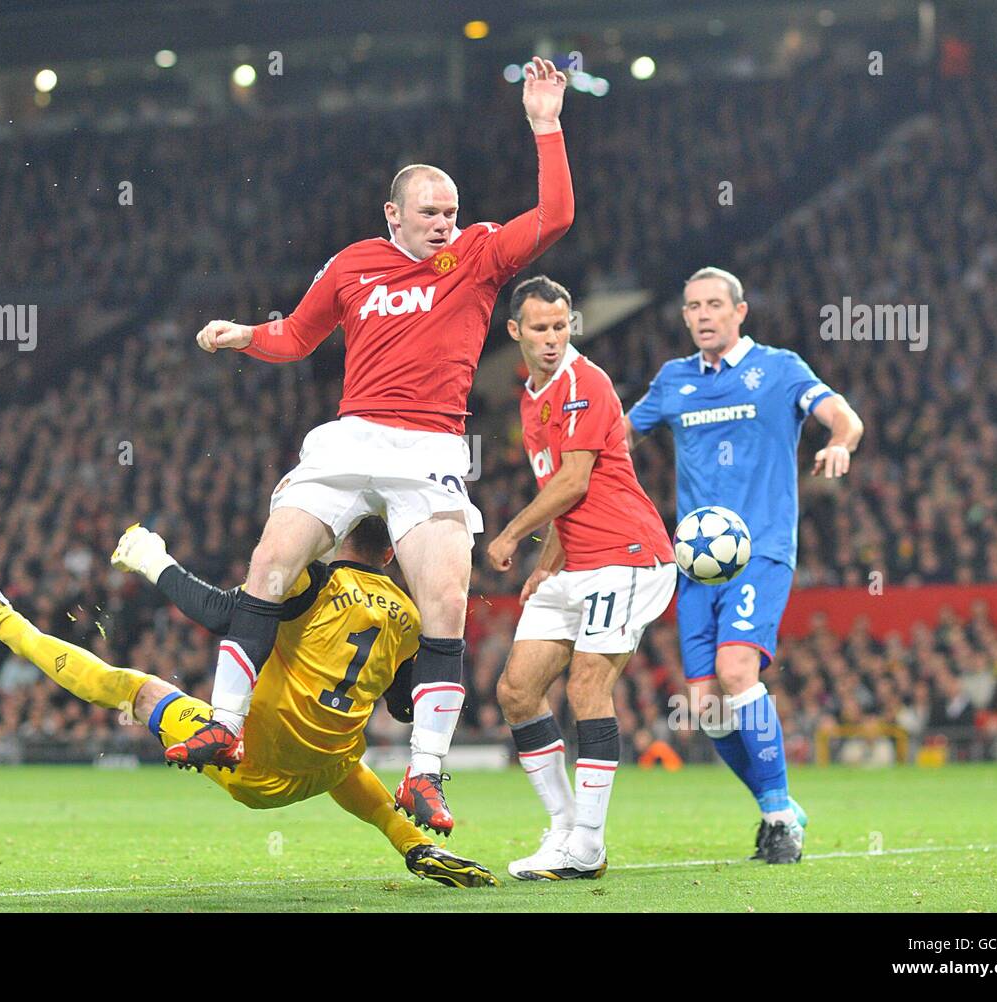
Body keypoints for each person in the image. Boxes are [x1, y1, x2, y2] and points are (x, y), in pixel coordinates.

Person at [187, 57, 575, 835]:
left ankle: (424, 777)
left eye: (451, 210)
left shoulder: (478, 255)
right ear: (392, 214)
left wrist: (545, 126)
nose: (444, 222)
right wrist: (242, 338)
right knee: (269, 566)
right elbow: (296, 338)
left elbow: (556, 217)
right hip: (350, 437)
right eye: (430, 211)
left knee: (445, 603)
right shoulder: (351, 265)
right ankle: (222, 723)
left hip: (429, 448)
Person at [0, 515, 497, 889]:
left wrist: (154, 560)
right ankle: (413, 843)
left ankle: (5, 621)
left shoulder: (311, 580)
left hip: (253, 768)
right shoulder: (411, 612)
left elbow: (218, 613)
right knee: (335, 747)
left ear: (334, 537)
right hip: (330, 767)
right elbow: (405, 707)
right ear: (391, 551)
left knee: (135, 689)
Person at [627, 267, 865, 863]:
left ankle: (781, 817)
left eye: (714, 304)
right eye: (692, 306)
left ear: (740, 312)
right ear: (684, 317)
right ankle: (775, 806)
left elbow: (845, 416)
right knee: (706, 709)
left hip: (759, 550)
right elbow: (618, 436)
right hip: (695, 566)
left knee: (737, 673)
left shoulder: (779, 370)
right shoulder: (674, 380)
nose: (703, 314)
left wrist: (839, 443)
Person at [485, 276, 676, 879]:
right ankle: (566, 830)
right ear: (515, 331)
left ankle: (588, 842)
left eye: (560, 326)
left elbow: (574, 483)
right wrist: (546, 565)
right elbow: (559, 498)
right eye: (538, 328)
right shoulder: (530, 395)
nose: (550, 338)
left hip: (626, 554)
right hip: (577, 561)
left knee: (586, 687)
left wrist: (513, 535)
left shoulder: (583, 382)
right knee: (517, 692)